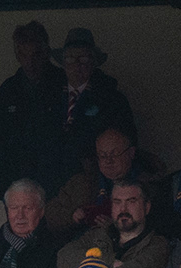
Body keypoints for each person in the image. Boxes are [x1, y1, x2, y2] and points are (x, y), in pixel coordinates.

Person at [52, 179, 167, 268]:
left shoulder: (157, 245)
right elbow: (64, 259)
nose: (123, 209)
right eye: (117, 202)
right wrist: (110, 263)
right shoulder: (98, 235)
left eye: (131, 201)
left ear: (146, 207)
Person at [52, 28, 136, 199]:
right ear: (63, 63)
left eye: (83, 59)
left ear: (94, 62)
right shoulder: (49, 97)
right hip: (53, 186)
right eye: (70, 59)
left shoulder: (112, 98)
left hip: (95, 186)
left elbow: (126, 145)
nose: (77, 65)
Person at [0, 22, 69, 198]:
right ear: (17, 55)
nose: (30, 62)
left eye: (36, 54)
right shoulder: (8, 90)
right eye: (24, 55)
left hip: (57, 183)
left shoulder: (63, 84)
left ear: (46, 53)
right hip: (15, 181)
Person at [45, 126, 161, 235]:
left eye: (114, 154)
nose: (108, 161)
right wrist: (72, 216)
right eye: (103, 156)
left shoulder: (149, 185)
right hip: (82, 242)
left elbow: (155, 227)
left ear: (131, 153)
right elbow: (50, 215)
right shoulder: (82, 182)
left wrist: (117, 227)